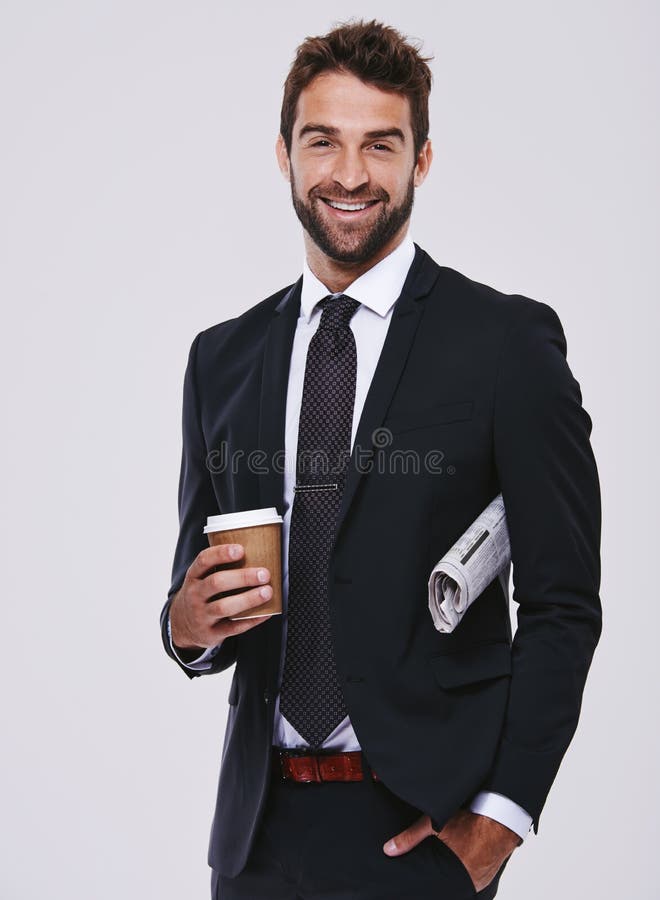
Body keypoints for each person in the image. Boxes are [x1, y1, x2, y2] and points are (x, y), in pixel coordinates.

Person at [161, 19, 602, 900]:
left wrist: (493, 828)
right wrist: (187, 627)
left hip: (423, 831)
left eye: (381, 144)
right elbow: (190, 589)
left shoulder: (506, 343)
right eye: (323, 141)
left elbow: (563, 604)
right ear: (284, 155)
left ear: (422, 161)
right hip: (253, 840)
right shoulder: (223, 357)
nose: (351, 174)